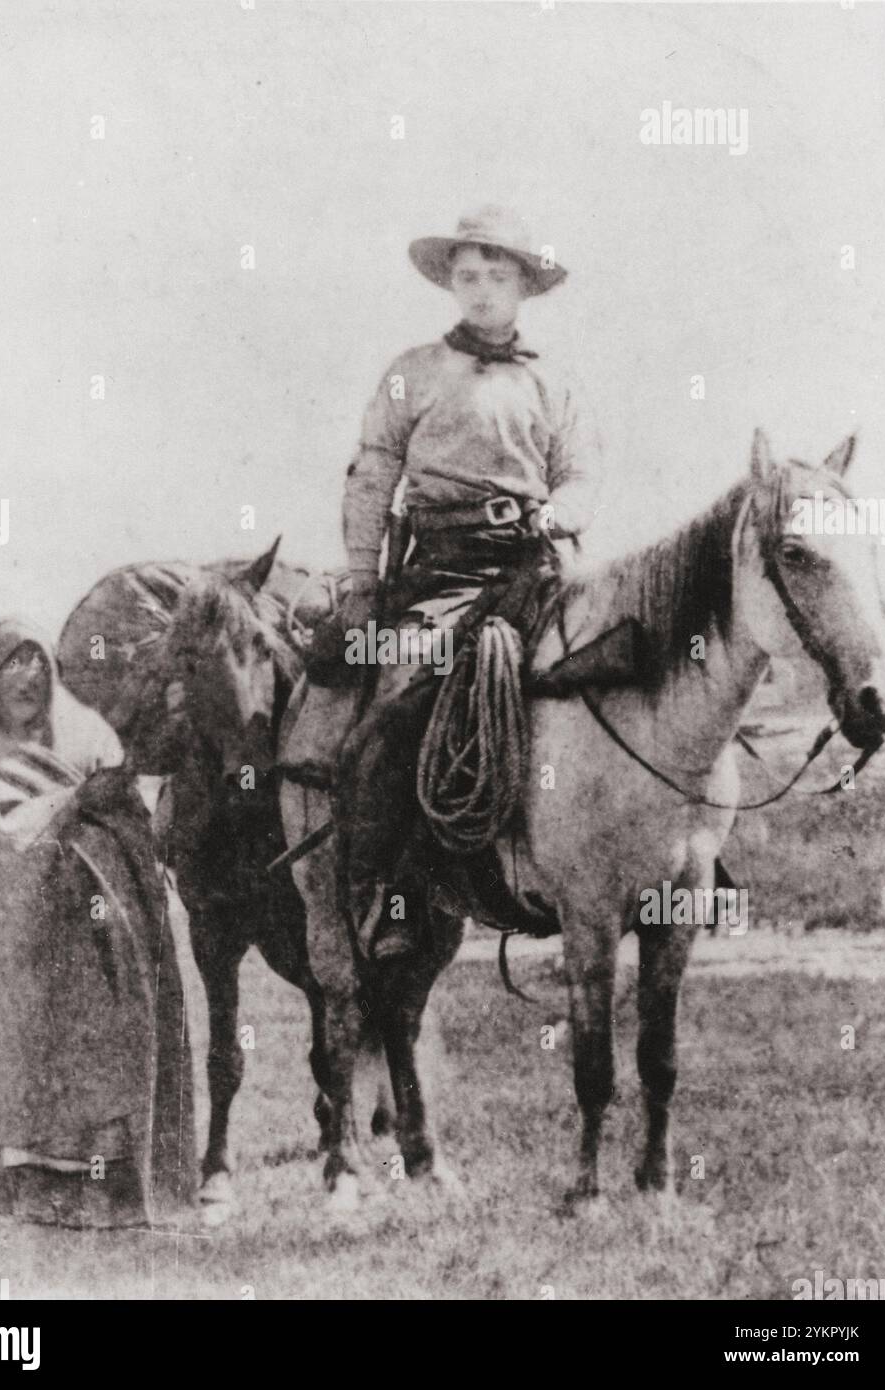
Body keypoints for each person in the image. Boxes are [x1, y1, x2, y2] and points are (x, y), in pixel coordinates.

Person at [282, 204, 603, 959]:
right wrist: (364, 580)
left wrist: (558, 513)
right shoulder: (413, 373)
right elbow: (371, 479)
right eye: (468, 276)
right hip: (441, 571)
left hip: (534, 565)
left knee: (613, 673)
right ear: (450, 285)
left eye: (498, 275)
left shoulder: (553, 381)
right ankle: (390, 890)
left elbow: (583, 473)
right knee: (404, 696)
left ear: (523, 285)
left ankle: (658, 857)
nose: (483, 289)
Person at [0, 618, 196, 1228]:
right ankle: (33, 1184)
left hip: (92, 936)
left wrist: (116, 805)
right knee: (31, 1056)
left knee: (103, 1048)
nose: (28, 677)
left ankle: (110, 1182)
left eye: (36, 662)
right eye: (12, 665)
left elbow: (125, 811)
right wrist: (70, 805)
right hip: (11, 945)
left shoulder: (83, 731)